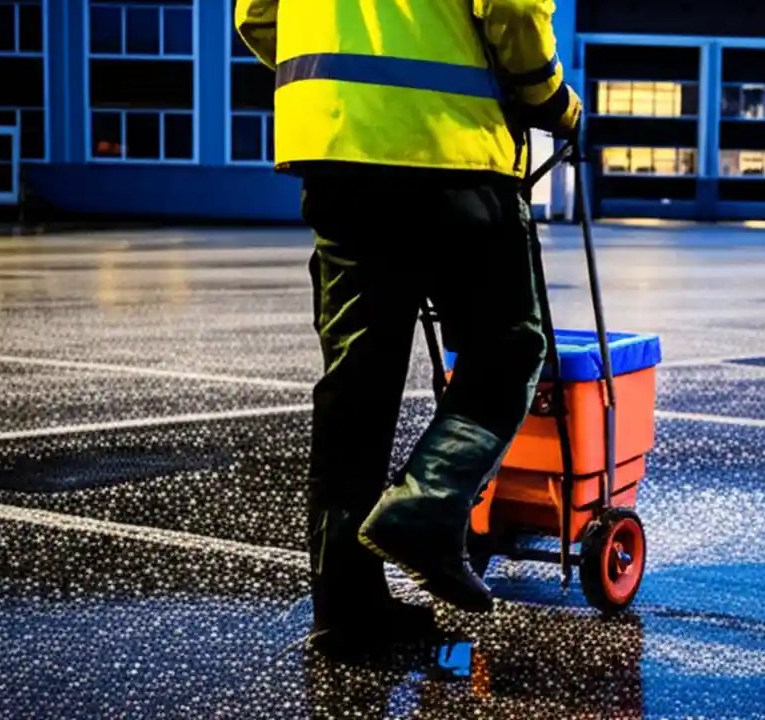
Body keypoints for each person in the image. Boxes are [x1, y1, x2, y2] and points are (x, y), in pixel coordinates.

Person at [234, 0, 582, 650]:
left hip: (337, 154)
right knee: (510, 346)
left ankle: (347, 612)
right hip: (452, 152)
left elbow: (255, 16)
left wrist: (342, 87)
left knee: (355, 391)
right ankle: (426, 508)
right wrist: (553, 100)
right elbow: (513, 8)